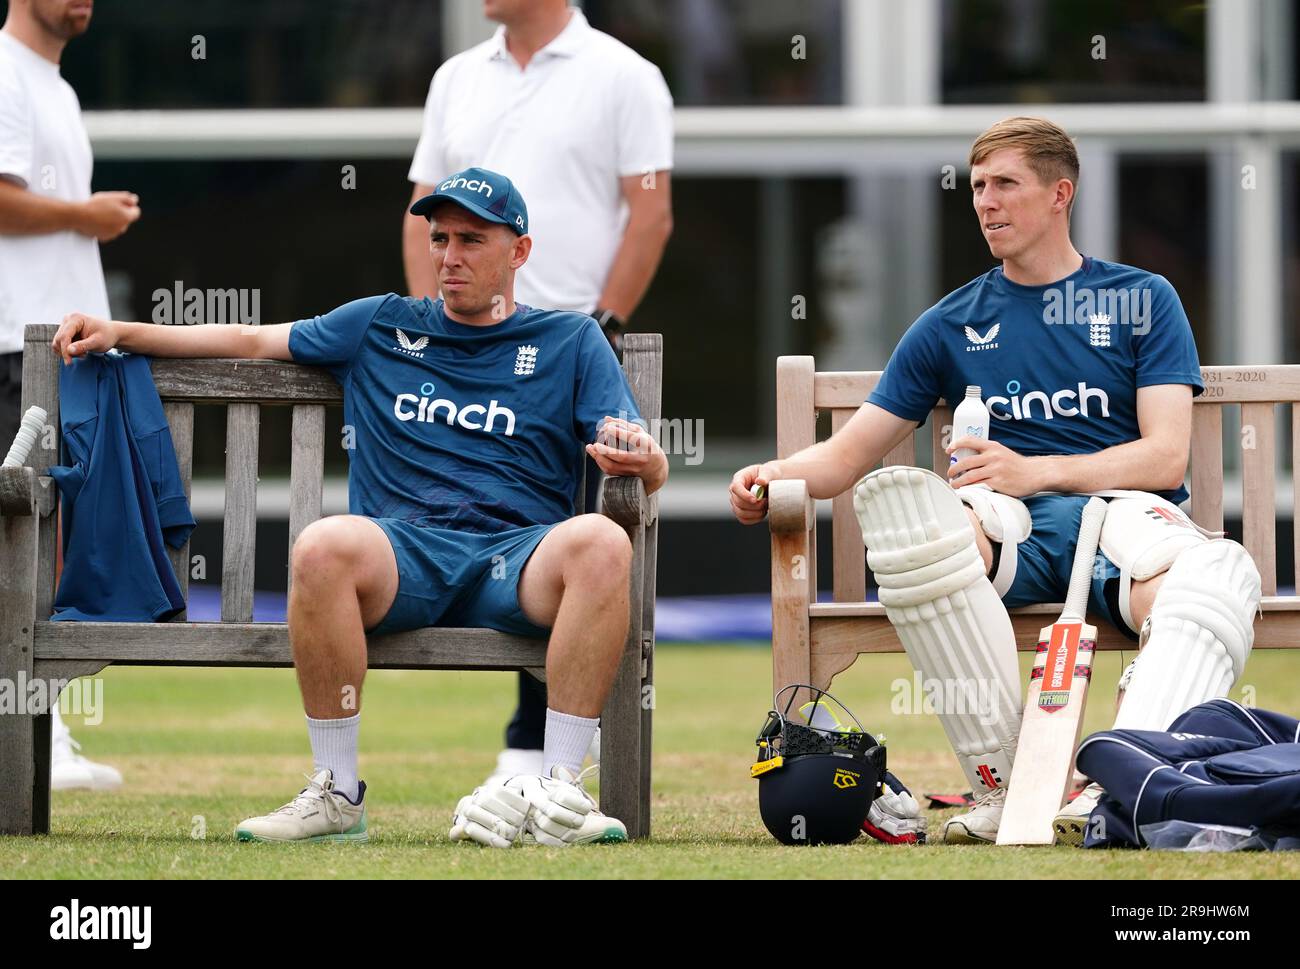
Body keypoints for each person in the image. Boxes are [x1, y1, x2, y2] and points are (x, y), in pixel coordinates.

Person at [52, 167, 669, 847]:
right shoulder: (379, 323)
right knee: (321, 544)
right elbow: (253, 340)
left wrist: (647, 460)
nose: (449, 256)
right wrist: (120, 330)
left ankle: (560, 795)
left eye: (471, 239)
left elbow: (640, 455)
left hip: (517, 558)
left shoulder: (571, 340)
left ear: (518, 251)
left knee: (606, 541)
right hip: (403, 556)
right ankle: (337, 793)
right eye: (438, 238)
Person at [729, 116, 1261, 845]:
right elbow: (849, 457)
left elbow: (1165, 456)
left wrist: (1036, 468)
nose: (985, 202)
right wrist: (772, 472)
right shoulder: (951, 322)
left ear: (1059, 194)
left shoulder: (1142, 299)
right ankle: (1010, 784)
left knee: (1218, 575)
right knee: (915, 524)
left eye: (1005, 184)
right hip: (1008, 528)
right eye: (978, 186)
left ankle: (1125, 780)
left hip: (1126, 524)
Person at [402, 0, 673, 785]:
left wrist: (604, 325)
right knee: (490, 529)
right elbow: (424, 203)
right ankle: (536, 752)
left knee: (574, 540)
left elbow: (649, 216)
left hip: (568, 356)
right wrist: (430, 333)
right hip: (463, 359)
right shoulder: (455, 76)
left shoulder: (627, 76)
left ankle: (543, 753)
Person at [0, 0, 139, 792]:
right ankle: (35, 744)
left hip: (57, 351)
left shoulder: (55, 85)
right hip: (17, 345)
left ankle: (41, 733)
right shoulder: (6, 73)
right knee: (23, 549)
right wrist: (84, 215)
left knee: (44, 550)